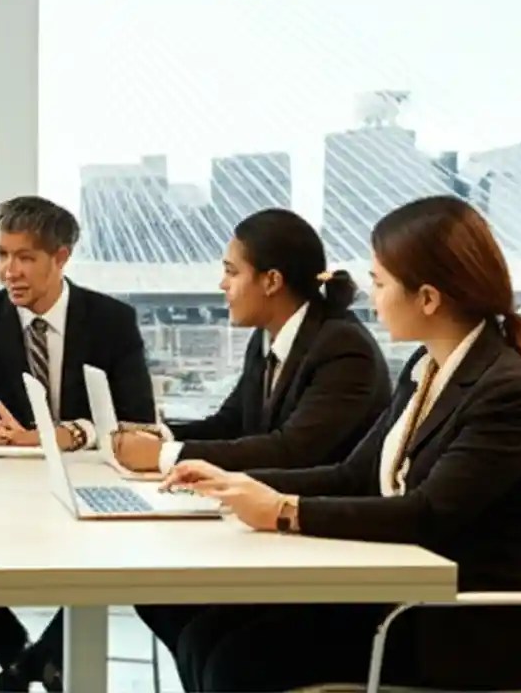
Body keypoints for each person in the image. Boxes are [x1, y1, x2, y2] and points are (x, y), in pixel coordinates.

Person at [164, 196, 521, 691]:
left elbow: (427, 512)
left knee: (237, 660)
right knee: (206, 634)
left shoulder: (508, 391)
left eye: (380, 282)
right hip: (410, 597)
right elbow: (354, 475)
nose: (369, 296)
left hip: (473, 625)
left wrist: (285, 510)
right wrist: (236, 483)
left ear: (427, 298)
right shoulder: (425, 368)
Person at [112, 209, 391, 655]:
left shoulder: (342, 346)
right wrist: (154, 436)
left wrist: (165, 457)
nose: (222, 285)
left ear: (271, 281)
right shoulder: (269, 337)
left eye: (231, 271)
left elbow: (293, 449)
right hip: (270, 531)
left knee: (201, 629)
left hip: (324, 543)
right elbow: (229, 423)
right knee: (160, 598)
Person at [0, 195, 157, 691]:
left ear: (61, 257)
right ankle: (32, 661)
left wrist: (69, 434)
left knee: (102, 557)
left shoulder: (111, 319)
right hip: (5, 486)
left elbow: (140, 421)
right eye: (1, 255)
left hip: (88, 480)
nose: (9, 271)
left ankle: (26, 670)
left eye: (25, 257)